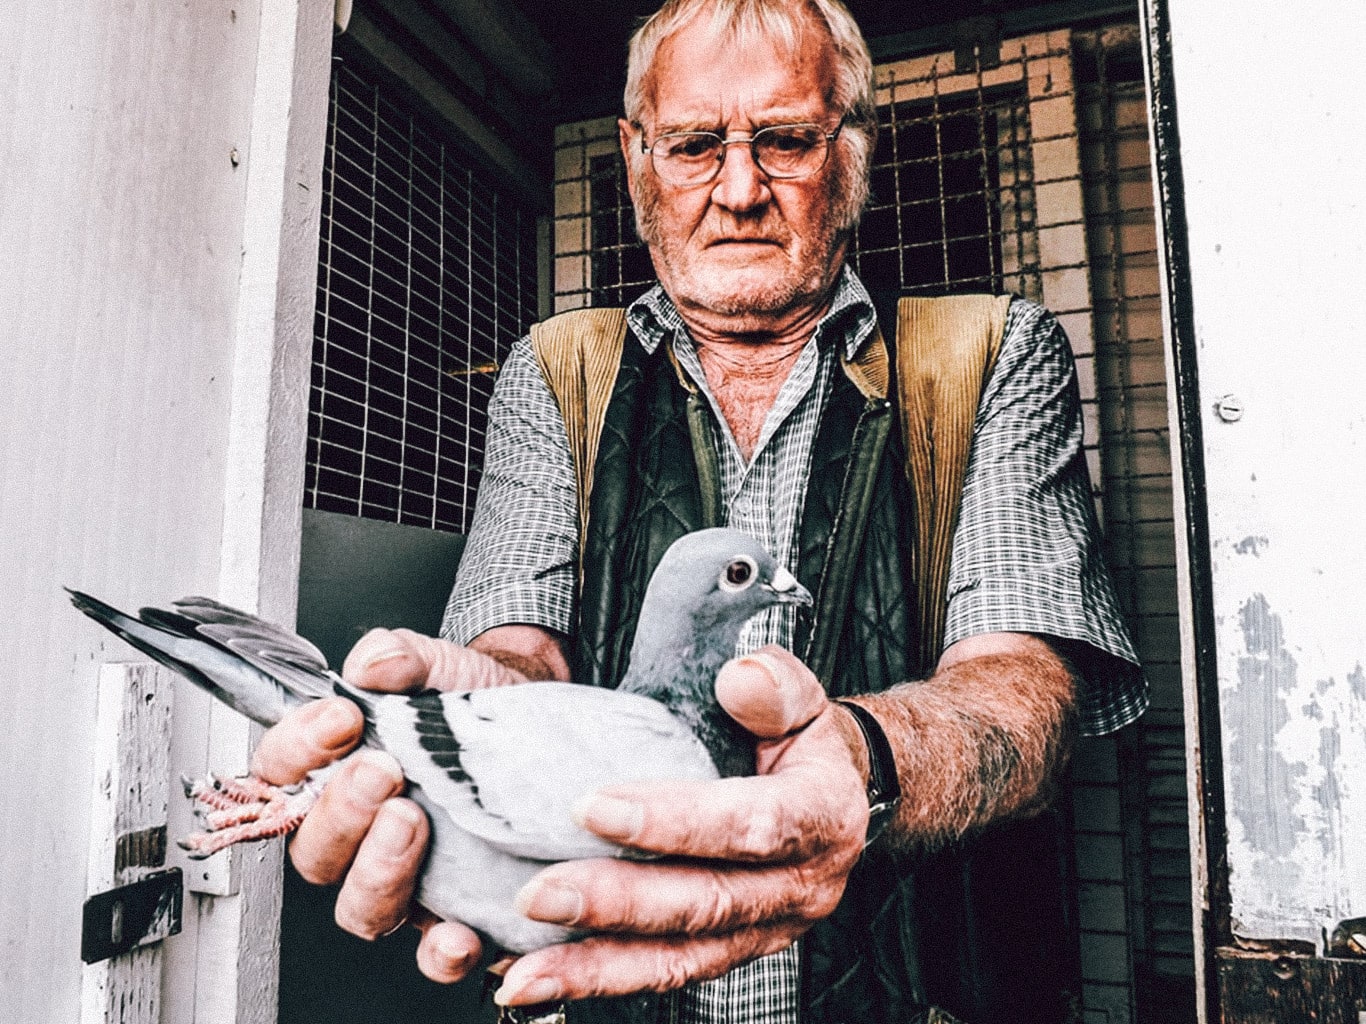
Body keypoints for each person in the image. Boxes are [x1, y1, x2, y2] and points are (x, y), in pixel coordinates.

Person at [253, 0, 1148, 1020]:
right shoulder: (557, 374)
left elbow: (1020, 687)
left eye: (782, 140)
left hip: (912, 990)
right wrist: (457, 746)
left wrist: (855, 765)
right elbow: (519, 658)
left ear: (849, 153)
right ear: (637, 159)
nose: (737, 191)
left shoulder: (987, 357)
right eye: (692, 145)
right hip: (607, 984)